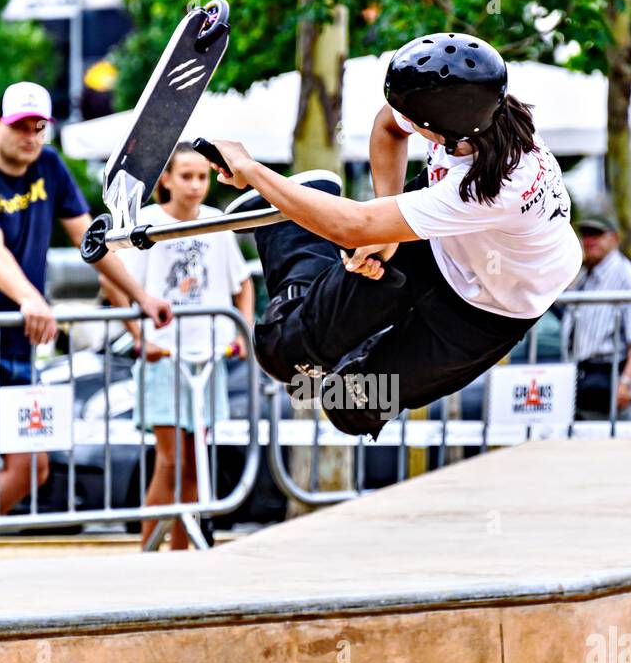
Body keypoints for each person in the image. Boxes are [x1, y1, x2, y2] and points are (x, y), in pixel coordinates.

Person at [209, 33, 582, 438]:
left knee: (352, 404)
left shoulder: (490, 189)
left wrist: (252, 171)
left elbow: (351, 226)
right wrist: (389, 225)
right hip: (434, 241)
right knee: (282, 354)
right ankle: (296, 221)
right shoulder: (483, 108)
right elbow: (387, 125)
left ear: (439, 130)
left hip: (493, 308)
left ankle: (341, 340)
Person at [0, 81, 172, 561]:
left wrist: (140, 295)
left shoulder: (49, 166)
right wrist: (30, 299)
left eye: (38, 126)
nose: (30, 136)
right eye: (20, 125)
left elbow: (89, 239)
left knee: (30, 467)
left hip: (19, 342)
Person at [114, 143, 253, 550]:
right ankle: (148, 549)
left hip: (206, 358)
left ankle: (181, 550)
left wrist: (239, 330)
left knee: (195, 463)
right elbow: (119, 288)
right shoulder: (148, 224)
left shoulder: (215, 223)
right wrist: (142, 341)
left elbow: (242, 283)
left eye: (202, 176)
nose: (195, 186)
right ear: (167, 181)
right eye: (186, 176)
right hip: (165, 358)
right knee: (170, 460)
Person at [565, 213, 631, 420]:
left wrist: (627, 383)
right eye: (585, 234)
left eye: (597, 234)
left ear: (614, 238)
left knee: (614, 445)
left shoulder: (627, 277)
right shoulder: (585, 275)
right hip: (585, 375)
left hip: (613, 374)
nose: (589, 240)